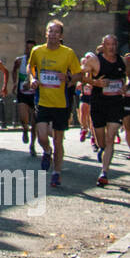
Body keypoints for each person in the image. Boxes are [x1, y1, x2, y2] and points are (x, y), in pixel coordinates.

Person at [28, 20, 82, 189]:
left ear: (61, 35)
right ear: (46, 33)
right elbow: (31, 67)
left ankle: (56, 173)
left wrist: (68, 79)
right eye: (50, 31)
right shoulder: (37, 51)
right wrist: (33, 79)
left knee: (58, 141)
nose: (53, 34)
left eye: (56, 32)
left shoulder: (68, 53)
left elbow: (78, 75)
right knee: (42, 135)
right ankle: (46, 151)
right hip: (43, 101)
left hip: (61, 103)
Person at [82, 35, 126, 187]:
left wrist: (125, 87)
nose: (112, 47)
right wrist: (96, 82)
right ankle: (102, 149)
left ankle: (104, 172)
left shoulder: (122, 61)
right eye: (109, 44)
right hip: (99, 104)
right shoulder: (95, 60)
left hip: (116, 104)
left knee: (110, 138)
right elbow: (81, 76)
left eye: (114, 44)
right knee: (102, 141)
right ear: (103, 45)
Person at [12, 40, 37, 154]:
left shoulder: (38, 62)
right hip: (22, 93)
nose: (29, 51)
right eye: (28, 48)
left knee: (34, 121)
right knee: (23, 117)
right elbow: (14, 70)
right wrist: (14, 83)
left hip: (34, 94)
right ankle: (25, 129)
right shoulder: (19, 60)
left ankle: (32, 144)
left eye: (32, 49)